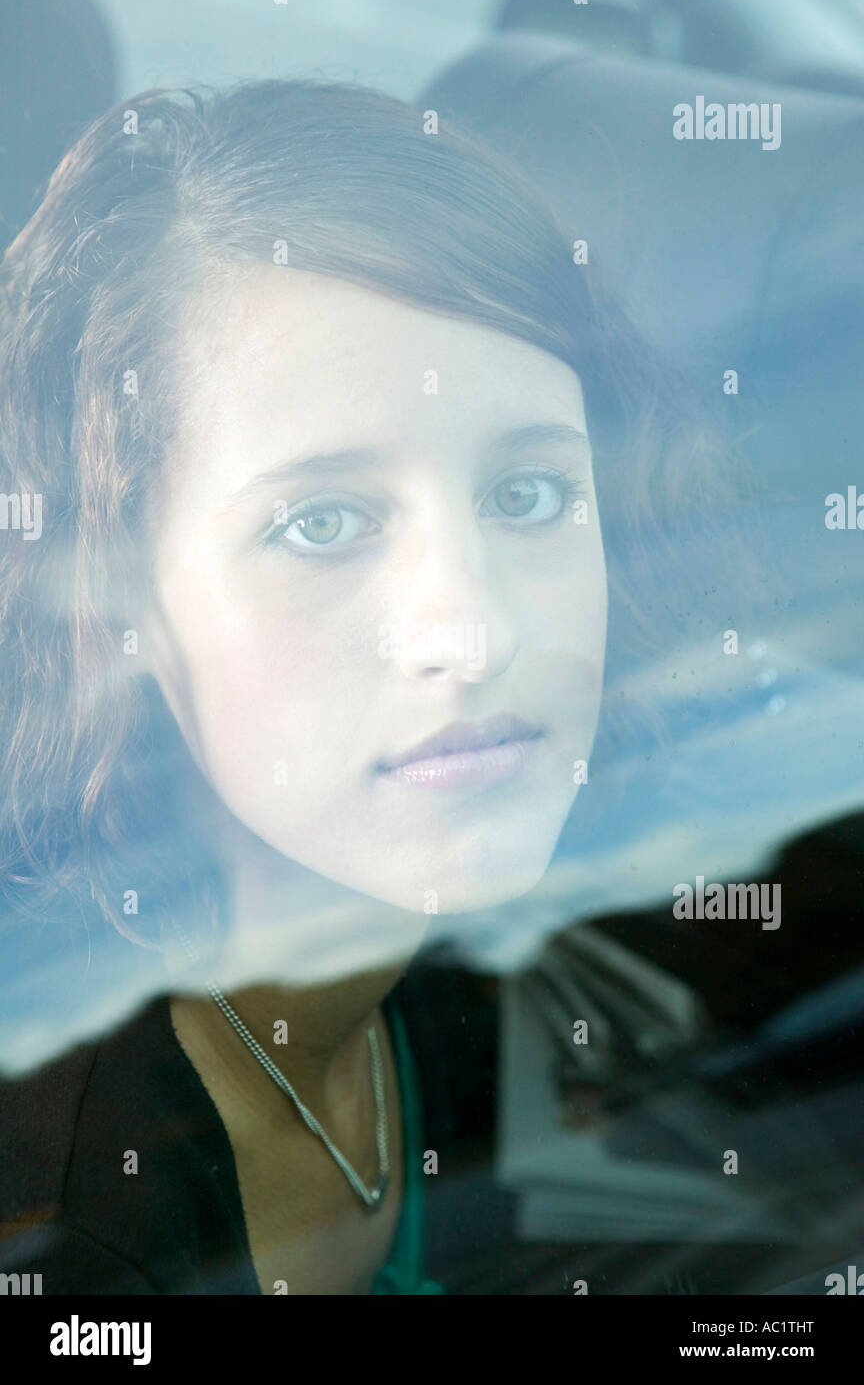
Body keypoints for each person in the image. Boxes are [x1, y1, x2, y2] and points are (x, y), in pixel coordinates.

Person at [0, 77, 710, 1295]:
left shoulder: (461, 972)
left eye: (529, 493)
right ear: (120, 614)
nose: (471, 631)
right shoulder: (52, 1193)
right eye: (321, 521)